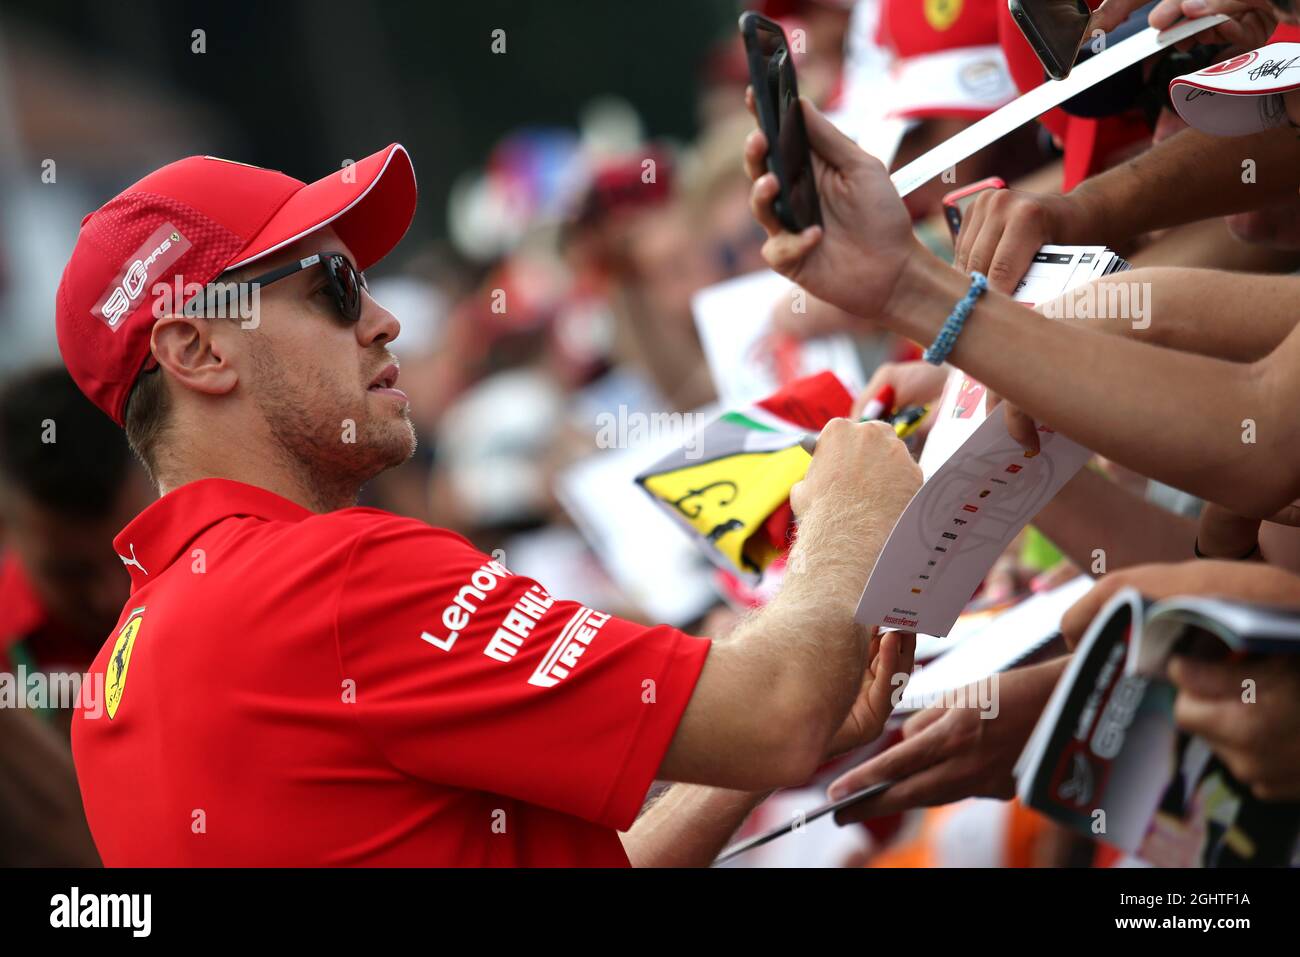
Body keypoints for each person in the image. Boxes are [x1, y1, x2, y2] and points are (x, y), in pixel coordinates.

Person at [58, 146, 923, 867]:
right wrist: (851, 502)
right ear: (199, 350)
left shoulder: (108, 695)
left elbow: (765, 728)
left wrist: (741, 757)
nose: (386, 320)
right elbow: (777, 707)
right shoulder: (338, 578)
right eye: (334, 287)